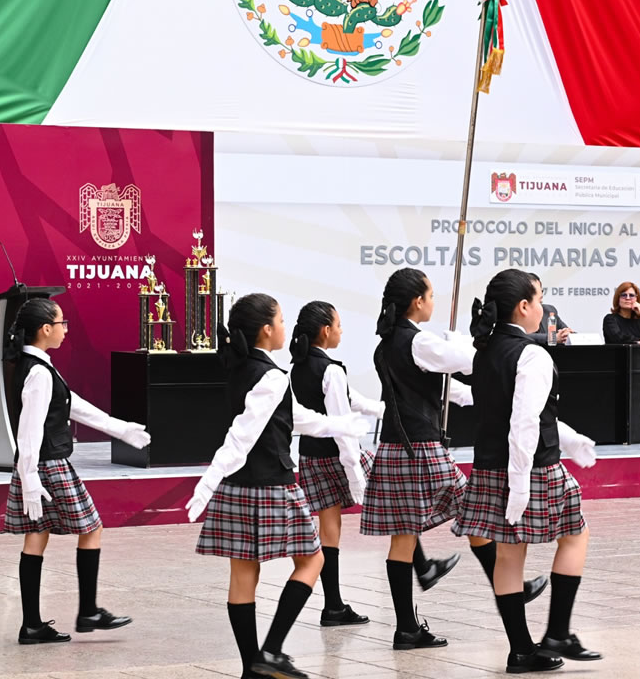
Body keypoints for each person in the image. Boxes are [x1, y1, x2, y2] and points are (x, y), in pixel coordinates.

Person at [185, 293, 371, 679]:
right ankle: (270, 652)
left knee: (243, 577)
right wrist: (207, 481)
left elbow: (294, 418)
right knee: (313, 560)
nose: (286, 328)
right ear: (267, 329)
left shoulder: (243, 368)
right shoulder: (270, 375)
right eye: (281, 320)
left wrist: (342, 424)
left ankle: (252, 669)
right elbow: (242, 435)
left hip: (239, 489)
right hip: (271, 484)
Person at [363, 268, 547, 652]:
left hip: (395, 447)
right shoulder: (419, 342)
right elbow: (466, 360)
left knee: (404, 537)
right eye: (430, 296)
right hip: (421, 449)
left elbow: (445, 388)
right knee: (475, 512)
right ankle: (508, 587)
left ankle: (408, 626)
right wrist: (470, 338)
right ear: (418, 301)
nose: (433, 302)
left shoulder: (387, 344)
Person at [453, 269, 602, 673]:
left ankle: (521, 650)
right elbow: (523, 423)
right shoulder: (532, 353)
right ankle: (557, 631)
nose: (542, 308)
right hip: (530, 467)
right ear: (523, 306)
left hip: (489, 466)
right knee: (576, 534)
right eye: (539, 300)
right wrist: (520, 486)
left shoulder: (484, 350)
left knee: (508, 555)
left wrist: (569, 439)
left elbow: (507, 412)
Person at [4, 297, 151, 645]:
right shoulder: (38, 372)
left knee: (36, 539)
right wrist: (29, 480)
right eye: (62, 322)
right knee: (93, 528)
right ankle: (87, 611)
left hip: (38, 466)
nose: (66, 328)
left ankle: (32, 625)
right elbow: (29, 430)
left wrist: (120, 428)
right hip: (49, 465)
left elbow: (73, 406)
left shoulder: (36, 365)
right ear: (45, 329)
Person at [289, 300, 382, 627]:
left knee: (330, 529)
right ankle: (421, 563)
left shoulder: (298, 367)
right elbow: (343, 425)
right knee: (395, 489)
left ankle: (334, 605)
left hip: (310, 456)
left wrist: (384, 409)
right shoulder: (329, 370)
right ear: (326, 330)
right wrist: (354, 473)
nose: (342, 330)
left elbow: (353, 400)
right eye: (339, 325)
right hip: (336, 457)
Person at [526, 273, 573, 344]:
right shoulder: (515, 313)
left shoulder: (549, 310)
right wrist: (552, 338)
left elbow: (565, 331)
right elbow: (519, 336)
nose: (540, 295)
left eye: (541, 291)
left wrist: (567, 334)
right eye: (535, 292)